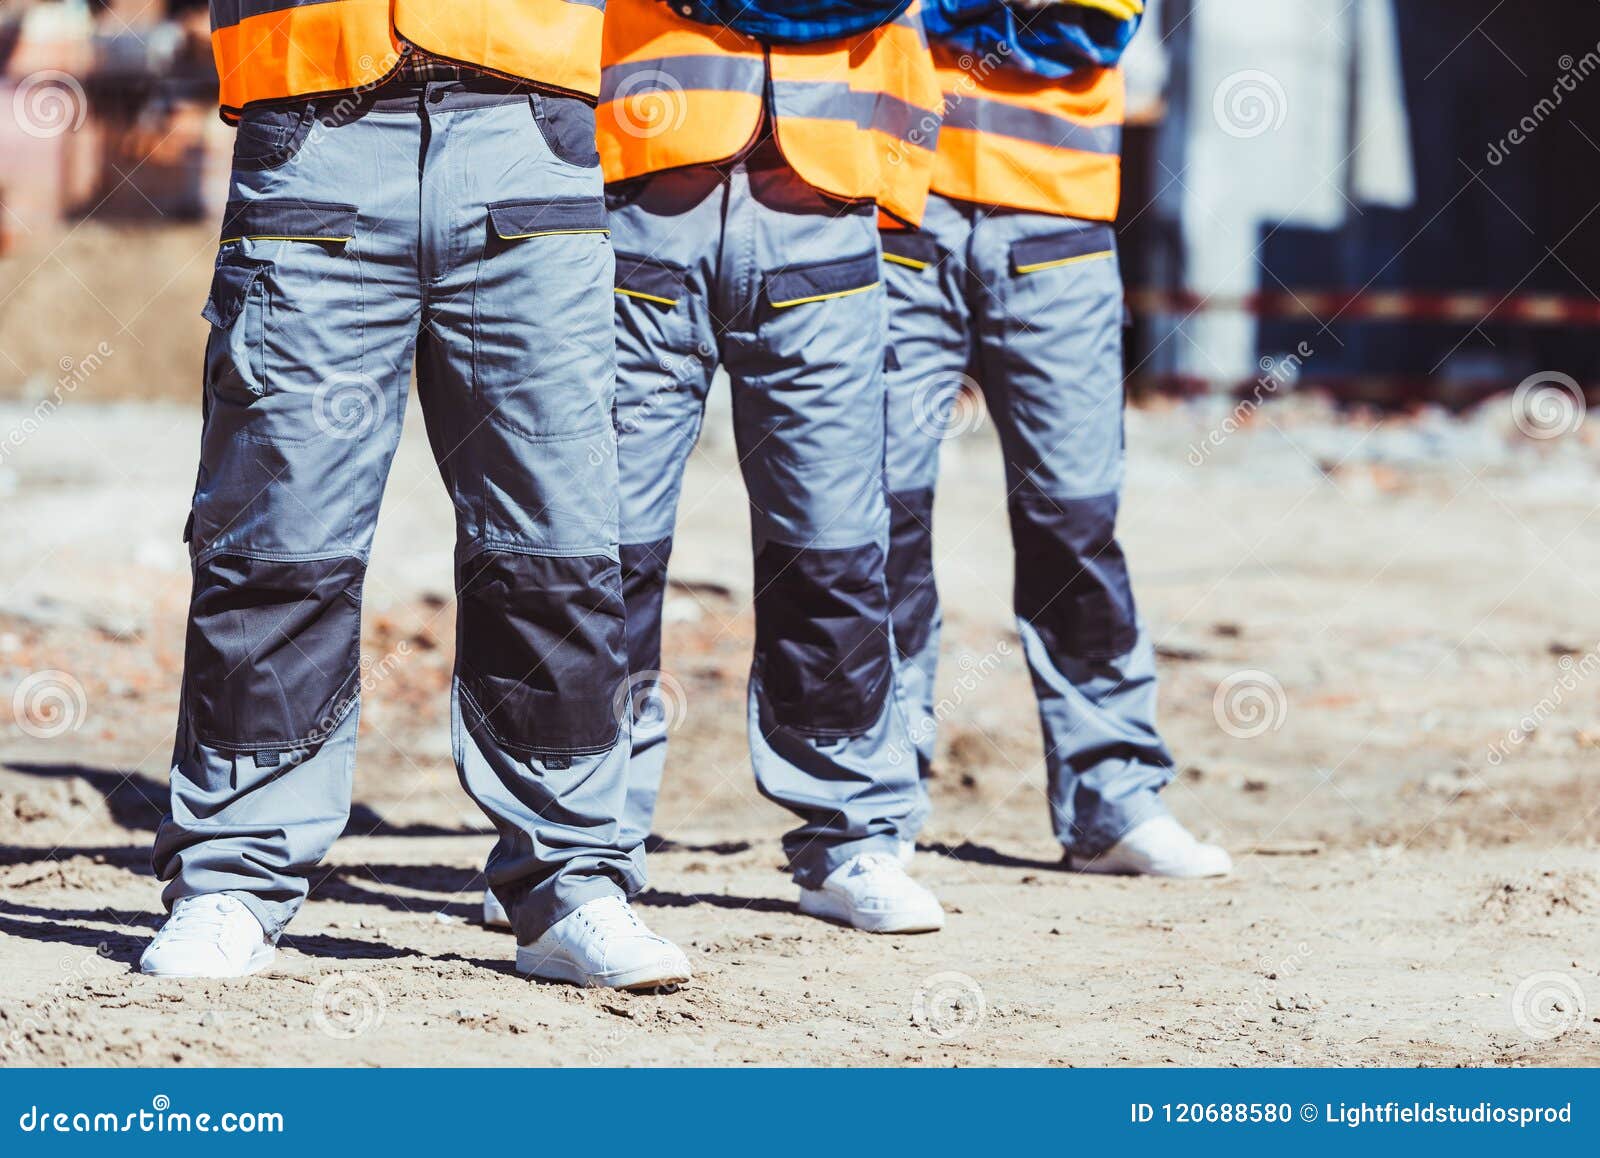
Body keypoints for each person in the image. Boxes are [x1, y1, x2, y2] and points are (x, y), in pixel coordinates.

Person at [141, 0, 691, 991]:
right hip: (315, 110)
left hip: (528, 121)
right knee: (277, 535)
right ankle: (232, 876)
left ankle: (570, 882)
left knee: (554, 543)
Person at [488, 0, 949, 935]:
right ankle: (579, 848)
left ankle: (854, 833)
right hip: (638, 195)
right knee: (601, 554)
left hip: (822, 202)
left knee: (833, 548)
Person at [880, 0, 1232, 876]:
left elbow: (1088, 23)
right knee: (875, 520)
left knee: (1074, 522)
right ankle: (872, 809)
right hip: (893, 211)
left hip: (1054, 223)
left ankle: (1112, 801)